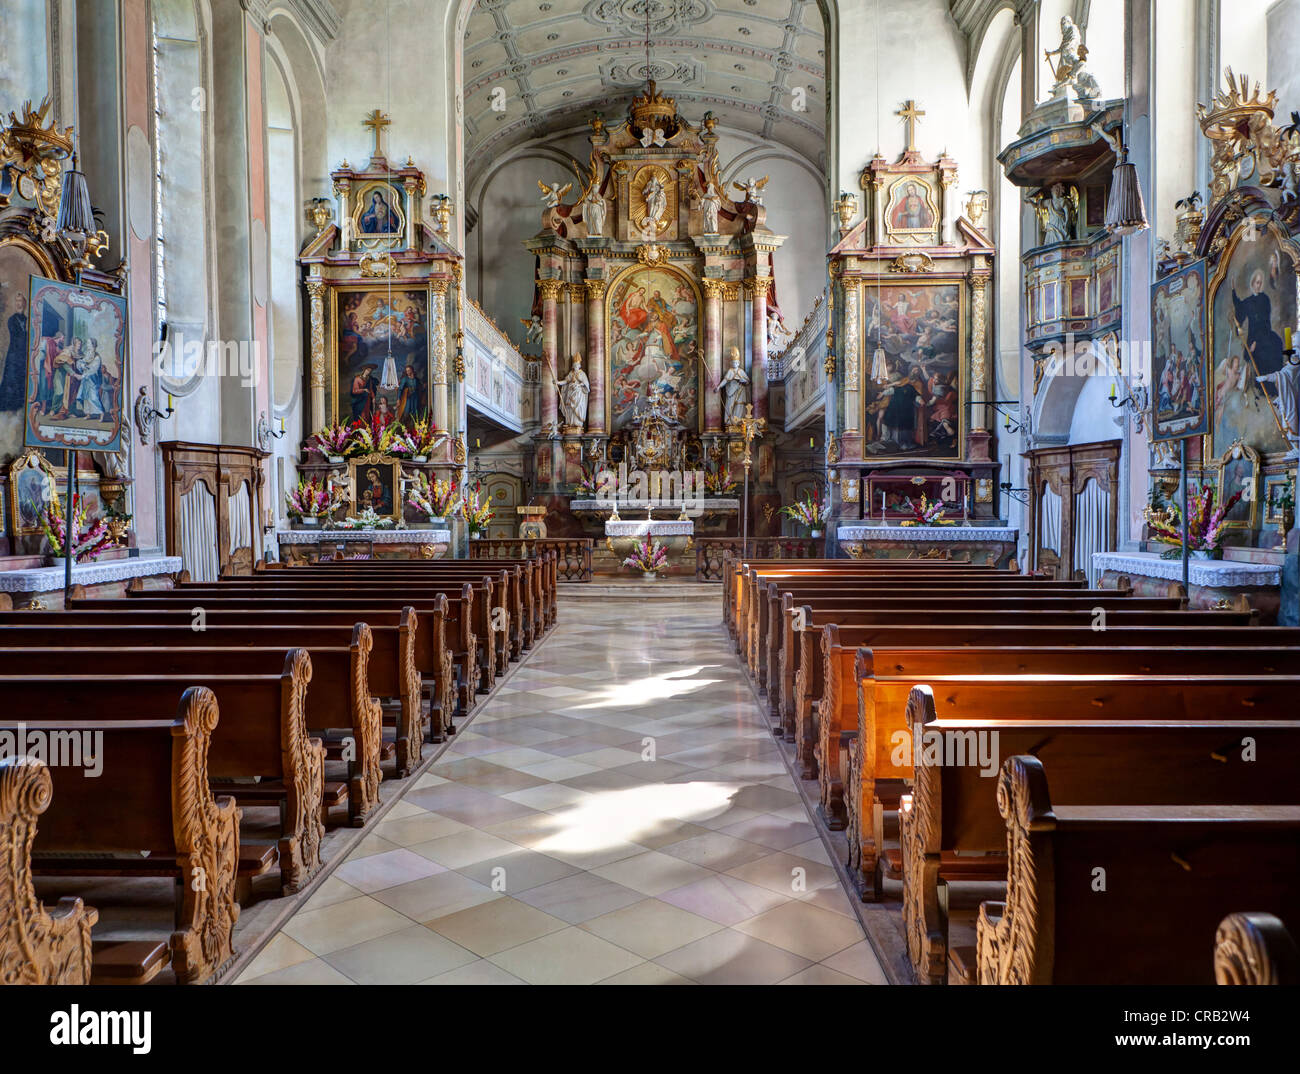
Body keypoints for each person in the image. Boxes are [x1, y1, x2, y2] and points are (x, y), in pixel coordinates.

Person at [1232, 269, 1285, 375]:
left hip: (1264, 333)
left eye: (1260, 282)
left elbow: (1265, 322)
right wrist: (1233, 290)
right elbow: (1239, 306)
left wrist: (1256, 341)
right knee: (1259, 354)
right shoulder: (1248, 301)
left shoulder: (1265, 299)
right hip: (1253, 335)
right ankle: (1262, 385)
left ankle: (1274, 383)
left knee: (1276, 343)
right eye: (1257, 282)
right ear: (1252, 283)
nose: (1259, 285)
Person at [0, 293, 28, 412]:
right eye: (16, 301)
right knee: (11, 378)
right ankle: (7, 405)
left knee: (21, 378)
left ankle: (18, 405)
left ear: (24, 303)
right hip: (14, 354)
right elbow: (17, 336)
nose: (18, 303)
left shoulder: (27, 319)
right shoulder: (12, 319)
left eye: (20, 301)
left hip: (23, 355)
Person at [720, 346, 750, 427]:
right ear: (730, 363)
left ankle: (739, 422)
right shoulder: (730, 371)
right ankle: (731, 422)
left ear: (739, 363)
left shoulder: (741, 371)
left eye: (736, 363)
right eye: (733, 363)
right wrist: (718, 387)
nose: (735, 364)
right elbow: (725, 380)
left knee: (740, 405)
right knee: (730, 405)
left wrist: (742, 380)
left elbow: (747, 381)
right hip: (731, 392)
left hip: (740, 391)